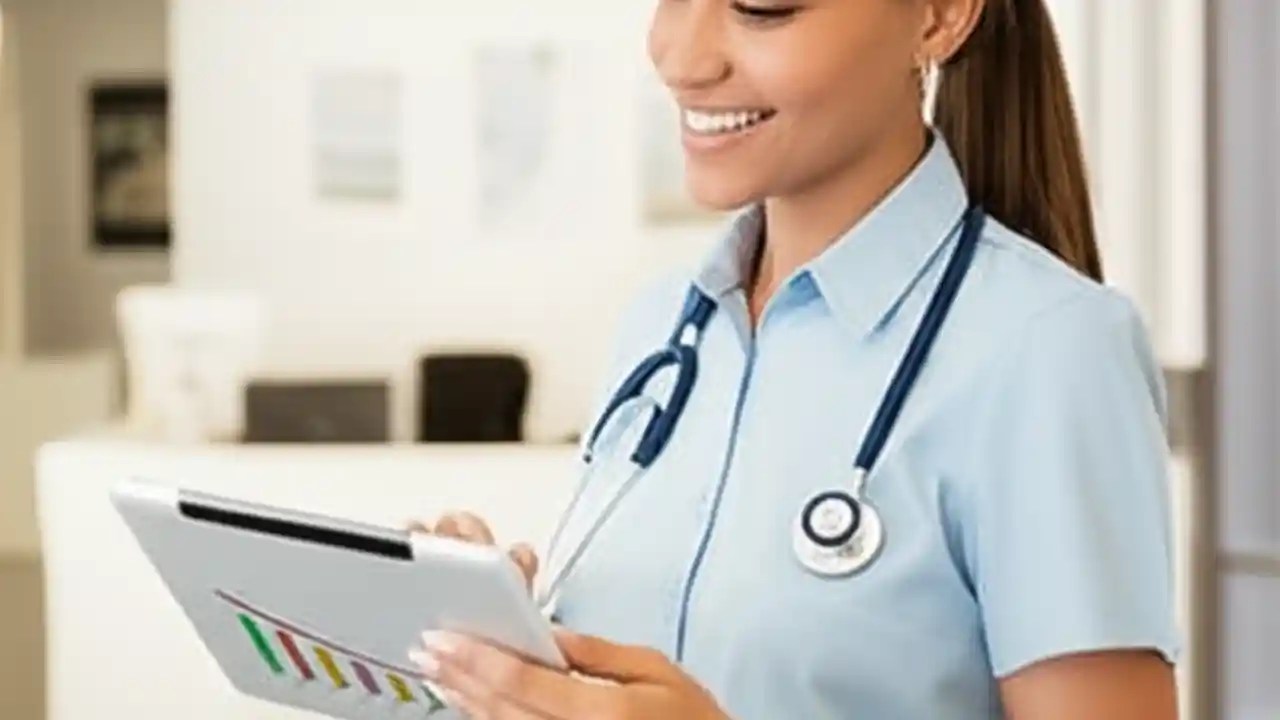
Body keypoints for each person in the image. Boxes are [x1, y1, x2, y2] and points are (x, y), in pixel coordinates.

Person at [407, 0, 1182, 717]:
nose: (682, 57)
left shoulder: (1050, 349)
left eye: (763, 6)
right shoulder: (662, 331)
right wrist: (507, 665)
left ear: (940, 16)